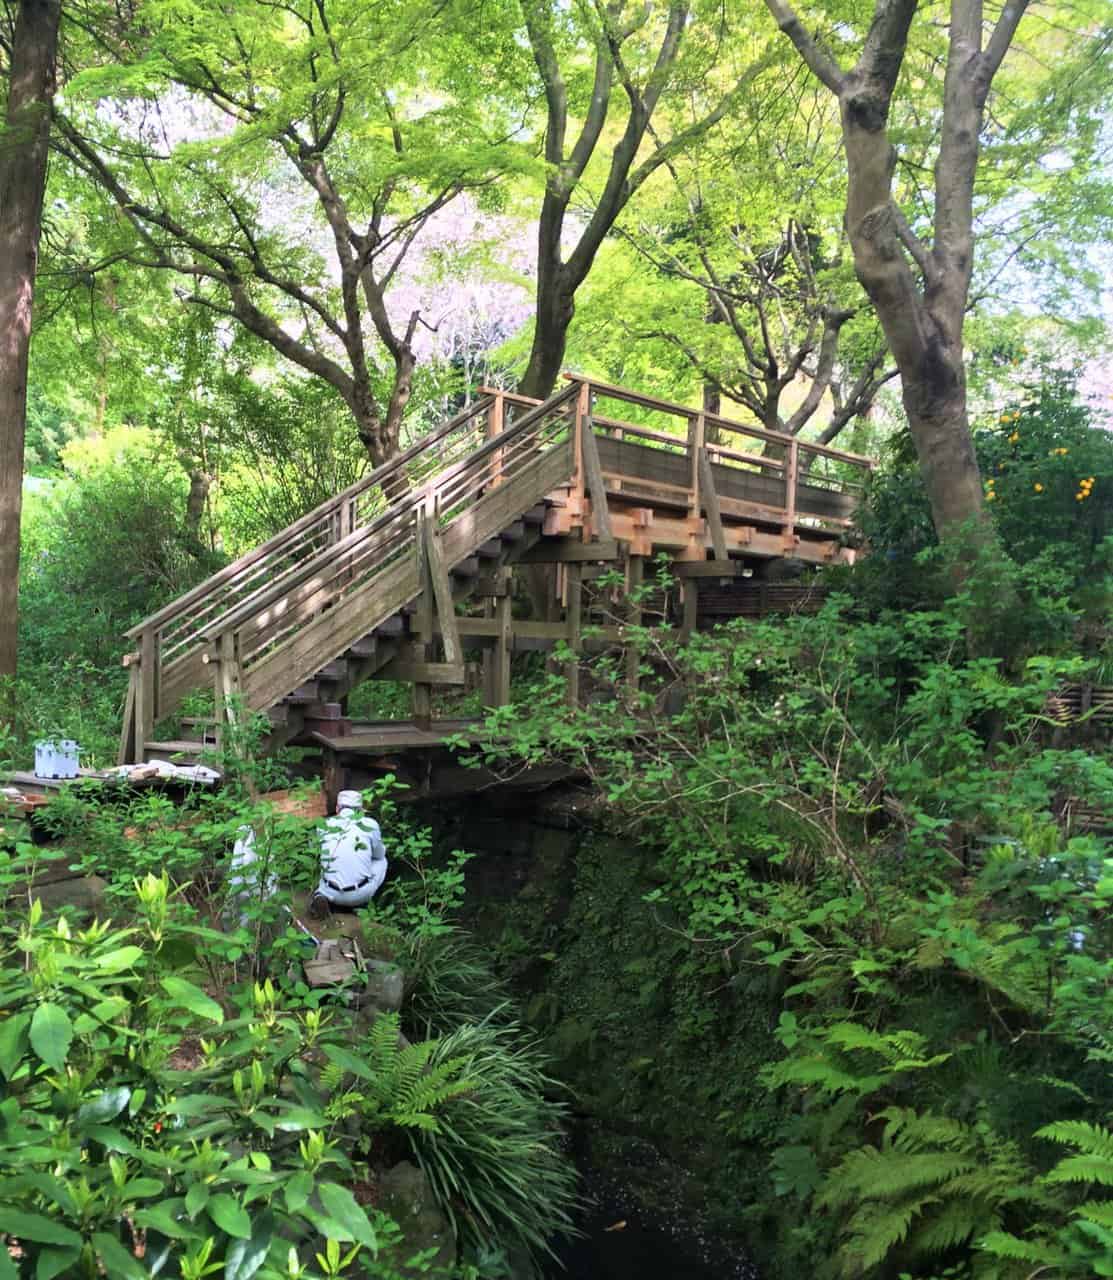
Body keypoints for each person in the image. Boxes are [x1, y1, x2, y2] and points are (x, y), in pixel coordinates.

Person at [310, 790, 388, 915]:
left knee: (326, 860)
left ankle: (320, 895)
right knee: (382, 861)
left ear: (337, 808)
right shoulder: (370, 824)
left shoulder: (324, 825)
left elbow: (316, 851)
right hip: (359, 894)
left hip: (330, 892)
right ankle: (361, 904)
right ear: (360, 810)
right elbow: (379, 855)